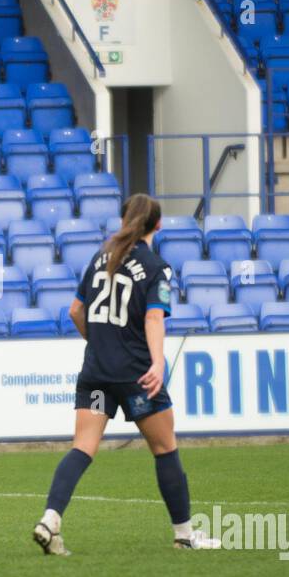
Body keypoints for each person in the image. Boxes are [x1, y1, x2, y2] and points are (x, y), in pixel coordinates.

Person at [32, 193, 218, 556]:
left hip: (96, 373)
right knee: (165, 449)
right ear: (158, 226)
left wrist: (101, 342)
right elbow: (152, 317)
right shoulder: (156, 267)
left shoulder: (100, 258)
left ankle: (50, 519)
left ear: (123, 220)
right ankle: (184, 535)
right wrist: (158, 363)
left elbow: (75, 311)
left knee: (82, 448)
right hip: (135, 376)